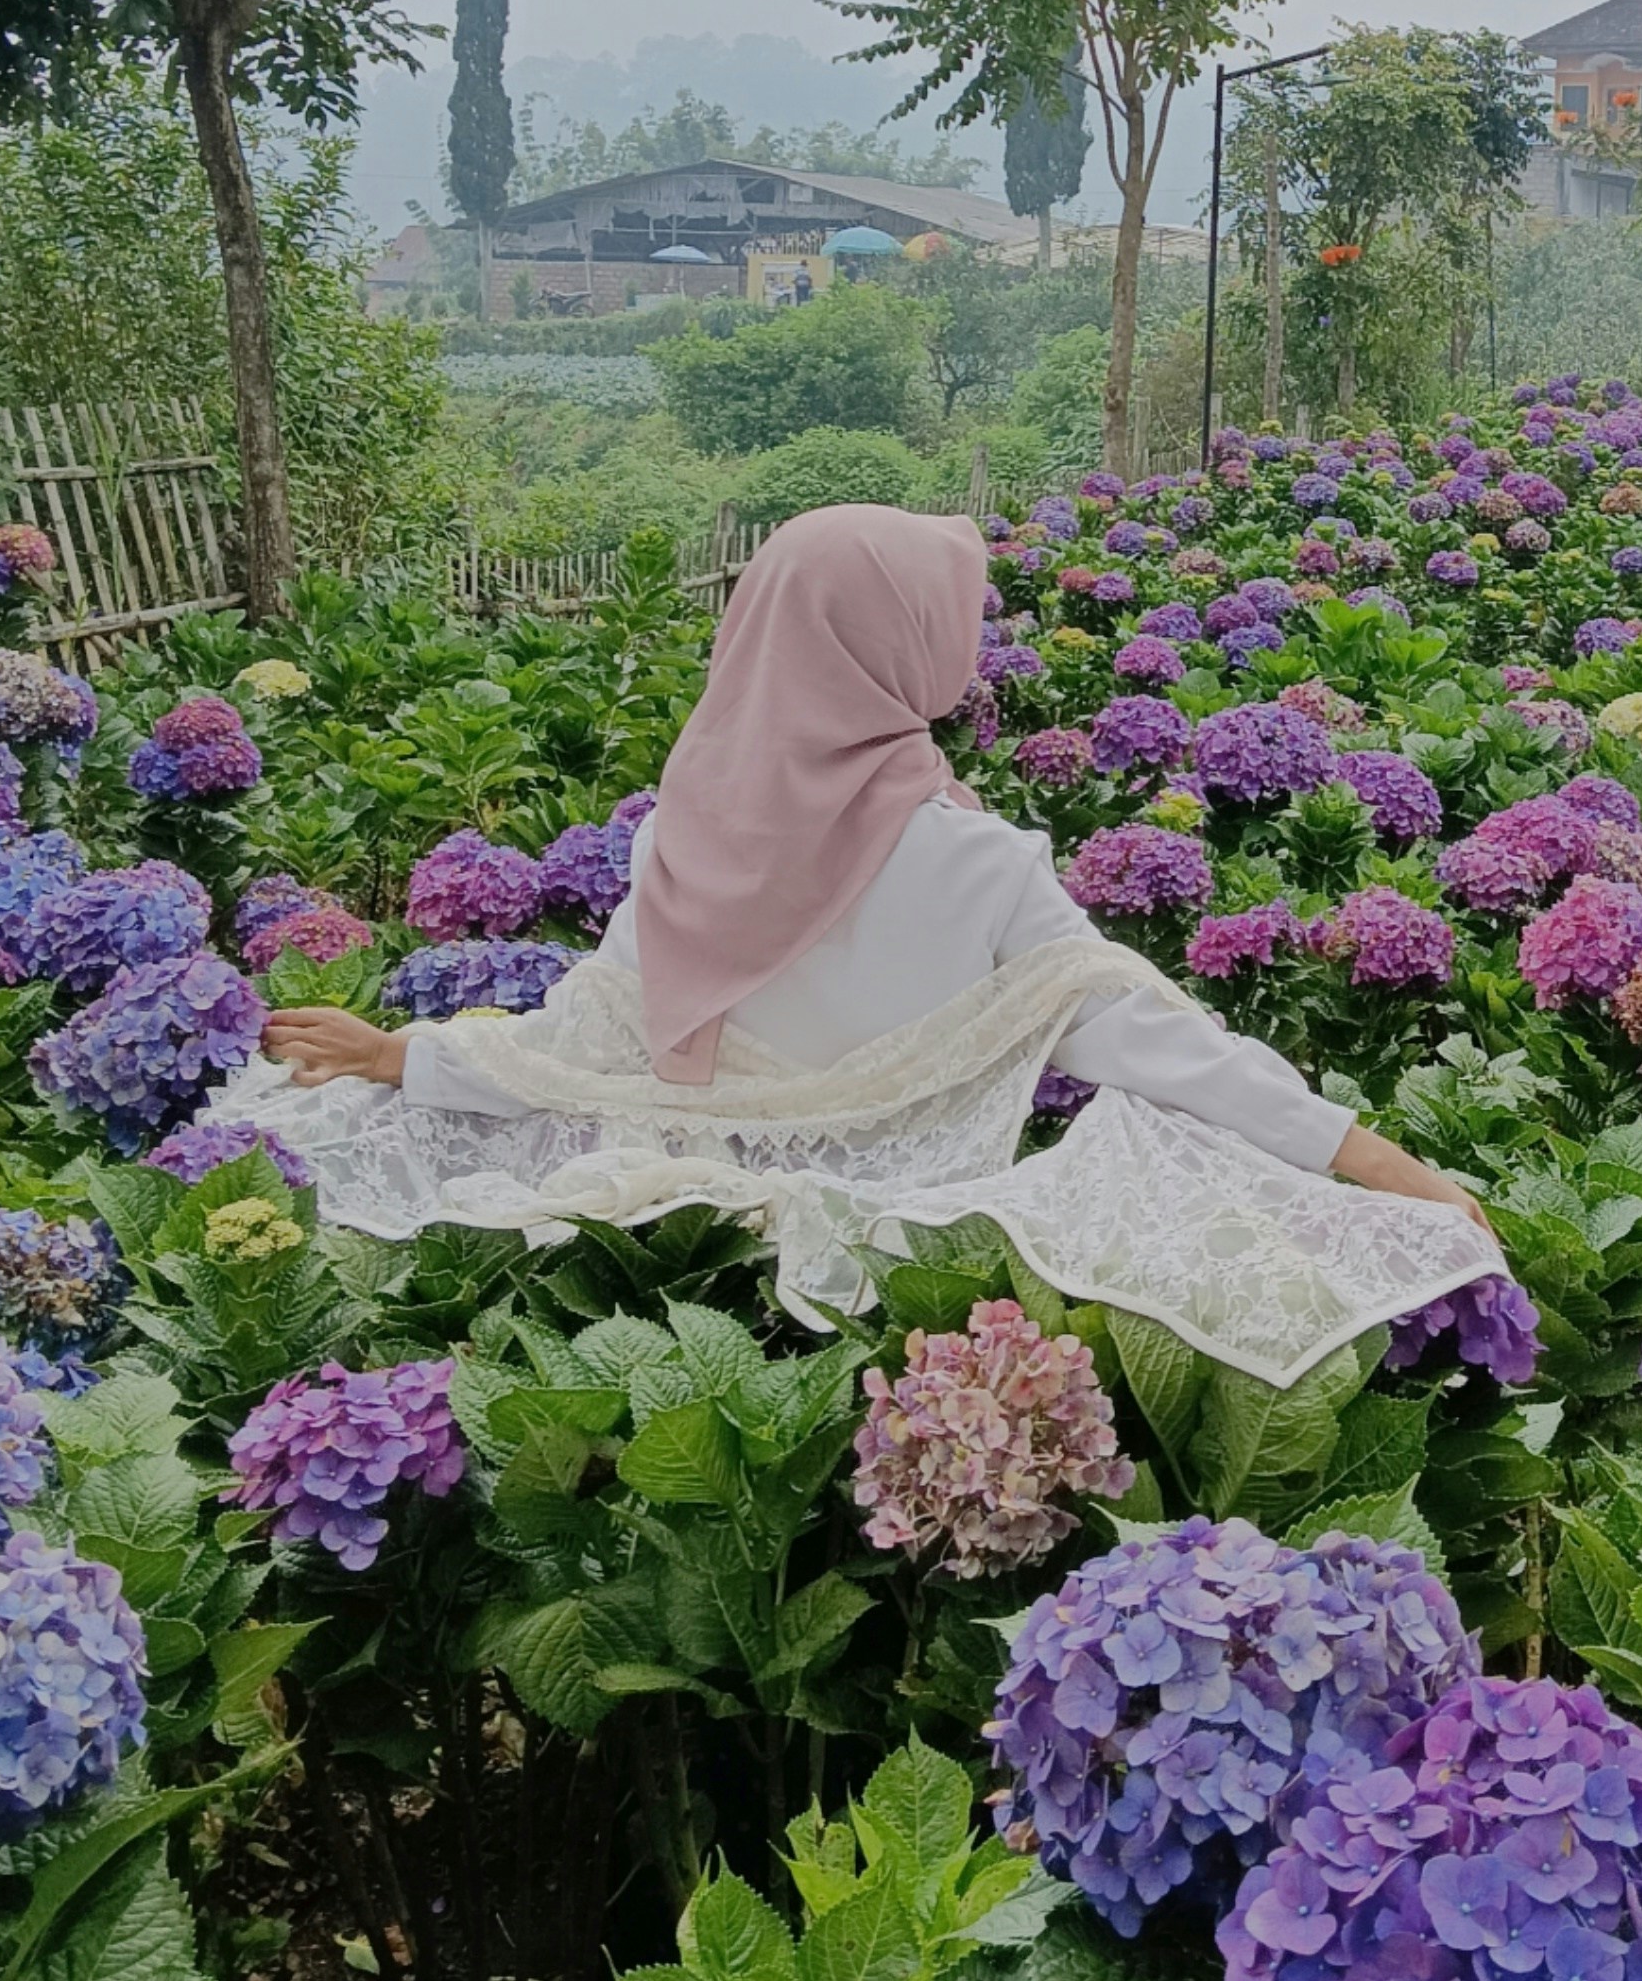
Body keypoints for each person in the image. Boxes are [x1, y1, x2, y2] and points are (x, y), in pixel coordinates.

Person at [230, 503, 1503, 1386]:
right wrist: (1378, 1162)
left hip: (681, 1251)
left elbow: (586, 1040)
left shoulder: (685, 829)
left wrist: (407, 1057)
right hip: (902, 1279)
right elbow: (1159, 1050)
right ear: (901, 653)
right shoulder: (972, 861)